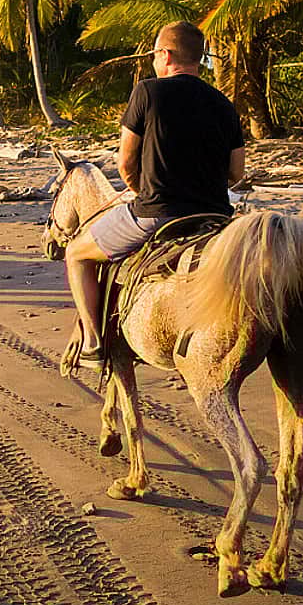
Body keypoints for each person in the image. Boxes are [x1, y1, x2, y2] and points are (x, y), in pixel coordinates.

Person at [63, 21, 244, 369]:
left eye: (154, 54)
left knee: (76, 254)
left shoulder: (148, 92)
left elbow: (126, 161)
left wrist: (139, 190)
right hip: (217, 217)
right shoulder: (224, 103)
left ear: (166, 54)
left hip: (157, 212)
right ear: (199, 57)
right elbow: (236, 174)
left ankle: (93, 342)